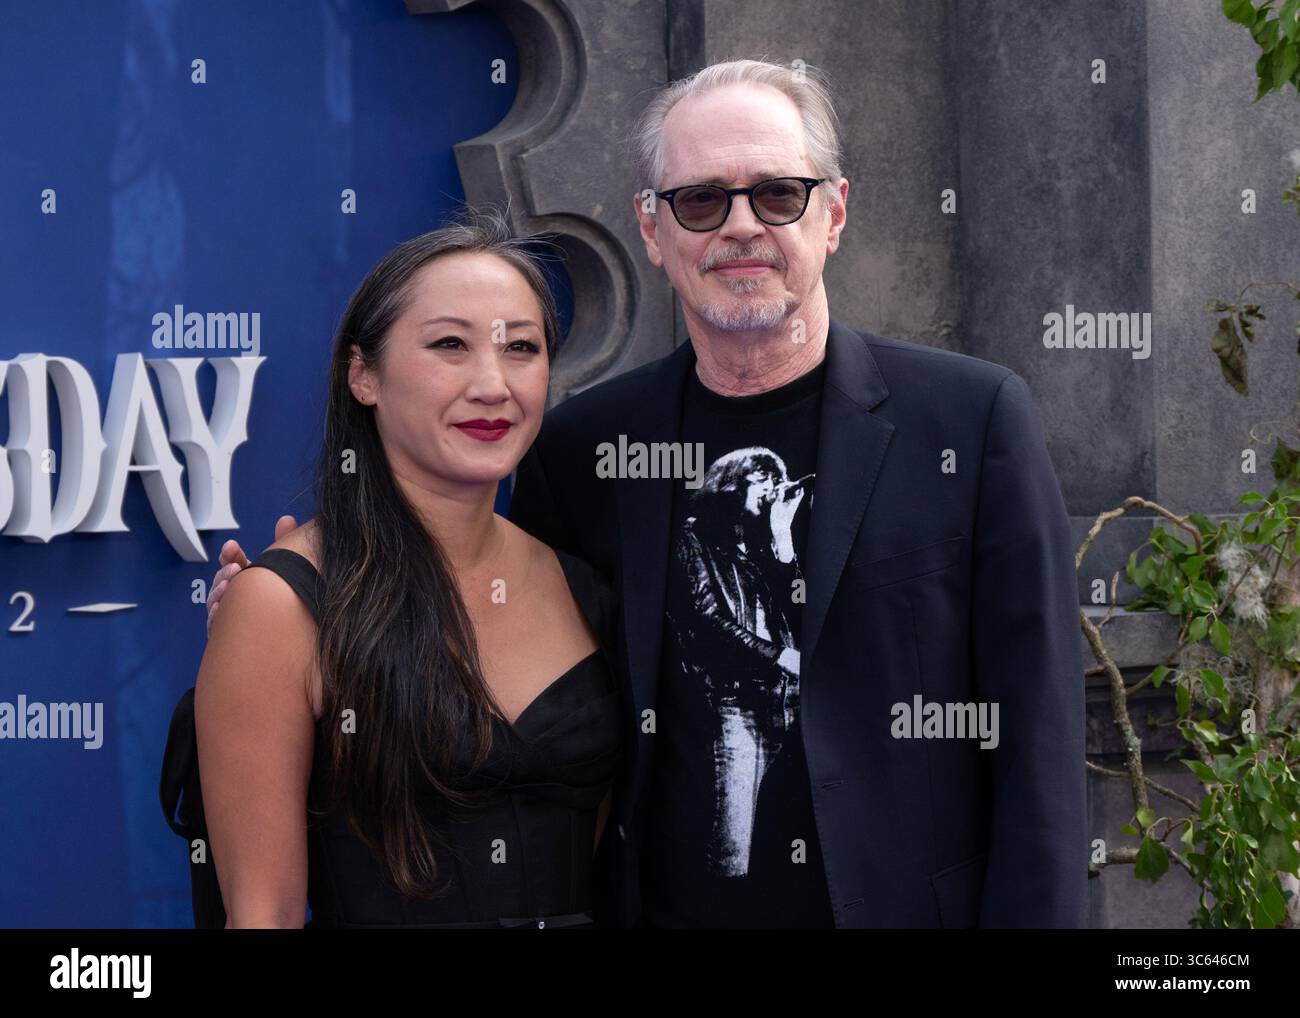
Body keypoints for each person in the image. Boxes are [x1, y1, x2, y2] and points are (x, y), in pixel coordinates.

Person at [211, 59, 1087, 929]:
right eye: (701, 201)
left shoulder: (970, 423)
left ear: (834, 214)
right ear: (651, 230)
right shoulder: (585, 450)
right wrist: (289, 614)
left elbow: (1040, 752)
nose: (740, 226)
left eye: (778, 194)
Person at [189, 208, 623, 928]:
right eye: (450, 344)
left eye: (522, 347)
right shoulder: (281, 604)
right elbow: (261, 914)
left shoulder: (581, 586)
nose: (493, 384)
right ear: (364, 374)